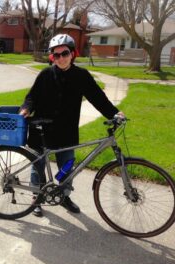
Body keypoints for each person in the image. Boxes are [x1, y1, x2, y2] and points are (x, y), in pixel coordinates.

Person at [19, 34, 124, 217]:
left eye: (64, 53)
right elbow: (31, 97)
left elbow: (98, 98)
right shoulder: (45, 74)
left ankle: (63, 195)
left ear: (72, 53)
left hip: (66, 132)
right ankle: (37, 198)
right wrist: (25, 109)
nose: (60, 58)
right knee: (38, 167)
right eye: (56, 55)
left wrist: (113, 113)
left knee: (66, 168)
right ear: (52, 57)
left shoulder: (81, 76)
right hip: (41, 130)